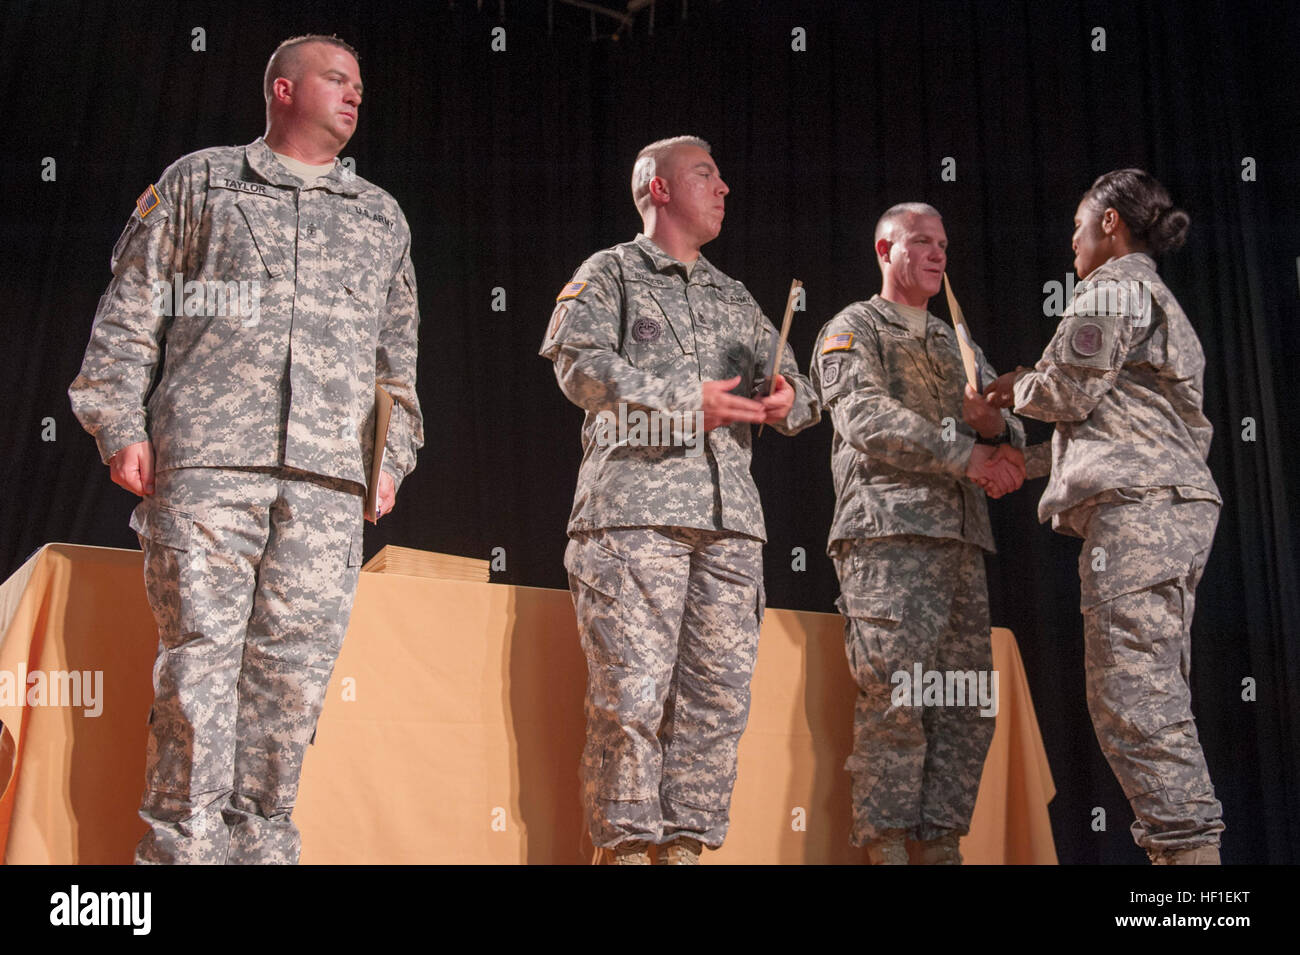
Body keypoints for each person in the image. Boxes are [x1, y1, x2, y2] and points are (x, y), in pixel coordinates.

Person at [68, 35, 423, 864]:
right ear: (282, 88)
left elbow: (396, 361)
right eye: (336, 79)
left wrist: (391, 457)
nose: (354, 94)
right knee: (200, 675)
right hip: (207, 470)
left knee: (290, 688)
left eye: (360, 85)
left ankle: (260, 851)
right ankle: (181, 854)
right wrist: (119, 424)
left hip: (327, 484)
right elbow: (129, 316)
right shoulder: (200, 182)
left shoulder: (380, 217)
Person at [539, 135, 820, 865]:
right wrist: (681, 400)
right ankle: (630, 852)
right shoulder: (611, 273)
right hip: (633, 517)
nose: (724, 186)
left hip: (730, 526)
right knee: (630, 700)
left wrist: (790, 397)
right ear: (657, 188)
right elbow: (580, 367)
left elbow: (798, 390)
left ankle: (686, 851)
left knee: (716, 705)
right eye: (706, 174)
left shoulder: (734, 296)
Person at [984, 169, 1223, 865]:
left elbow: (1067, 388)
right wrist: (1014, 465)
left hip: (1141, 516)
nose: (1072, 241)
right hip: (1165, 508)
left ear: (1112, 224)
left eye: (1081, 226)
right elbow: (1111, 425)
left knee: (1133, 698)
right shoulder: (1156, 297)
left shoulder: (1114, 286)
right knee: (1150, 694)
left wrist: (1009, 389)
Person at [809, 203, 1025, 864]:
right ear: (885, 248)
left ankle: (940, 843)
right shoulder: (853, 327)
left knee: (963, 704)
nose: (938, 254)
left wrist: (991, 427)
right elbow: (866, 417)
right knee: (898, 696)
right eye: (922, 242)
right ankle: (886, 846)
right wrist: (966, 454)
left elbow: (1008, 431)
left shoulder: (953, 340)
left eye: (943, 244)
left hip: (960, 540)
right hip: (889, 536)